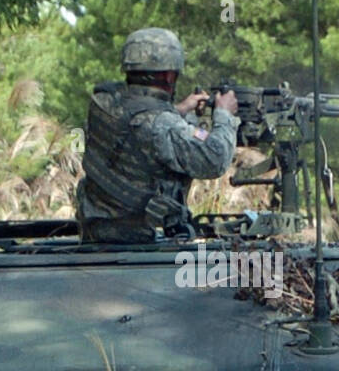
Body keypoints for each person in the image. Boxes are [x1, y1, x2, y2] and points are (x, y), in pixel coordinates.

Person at [76, 27, 240, 242]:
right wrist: (224, 115)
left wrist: (181, 110)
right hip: (138, 240)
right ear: (170, 75)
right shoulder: (164, 124)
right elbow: (215, 158)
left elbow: (139, 122)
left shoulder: (104, 102)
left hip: (95, 228)